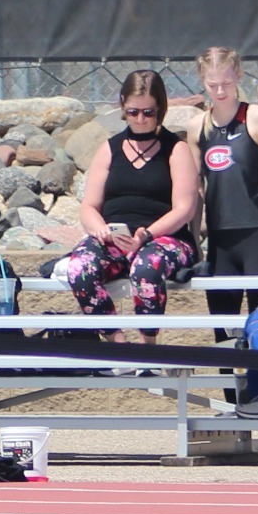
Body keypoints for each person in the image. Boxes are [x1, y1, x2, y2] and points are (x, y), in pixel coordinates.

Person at [57, 69, 199, 366]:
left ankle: (148, 347)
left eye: (148, 112)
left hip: (164, 236)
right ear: (122, 106)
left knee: (147, 268)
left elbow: (183, 208)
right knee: (79, 267)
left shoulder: (176, 149)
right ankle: (118, 345)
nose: (140, 119)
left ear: (160, 108)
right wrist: (102, 231)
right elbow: (89, 206)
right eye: (133, 111)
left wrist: (145, 235)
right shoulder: (109, 149)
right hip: (114, 236)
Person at [186, 48, 258, 411]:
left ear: (239, 77)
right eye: (212, 84)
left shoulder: (256, 118)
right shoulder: (197, 127)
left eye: (227, 83)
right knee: (224, 331)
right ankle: (236, 408)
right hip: (221, 240)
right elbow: (195, 189)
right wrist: (193, 240)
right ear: (202, 82)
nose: (220, 91)